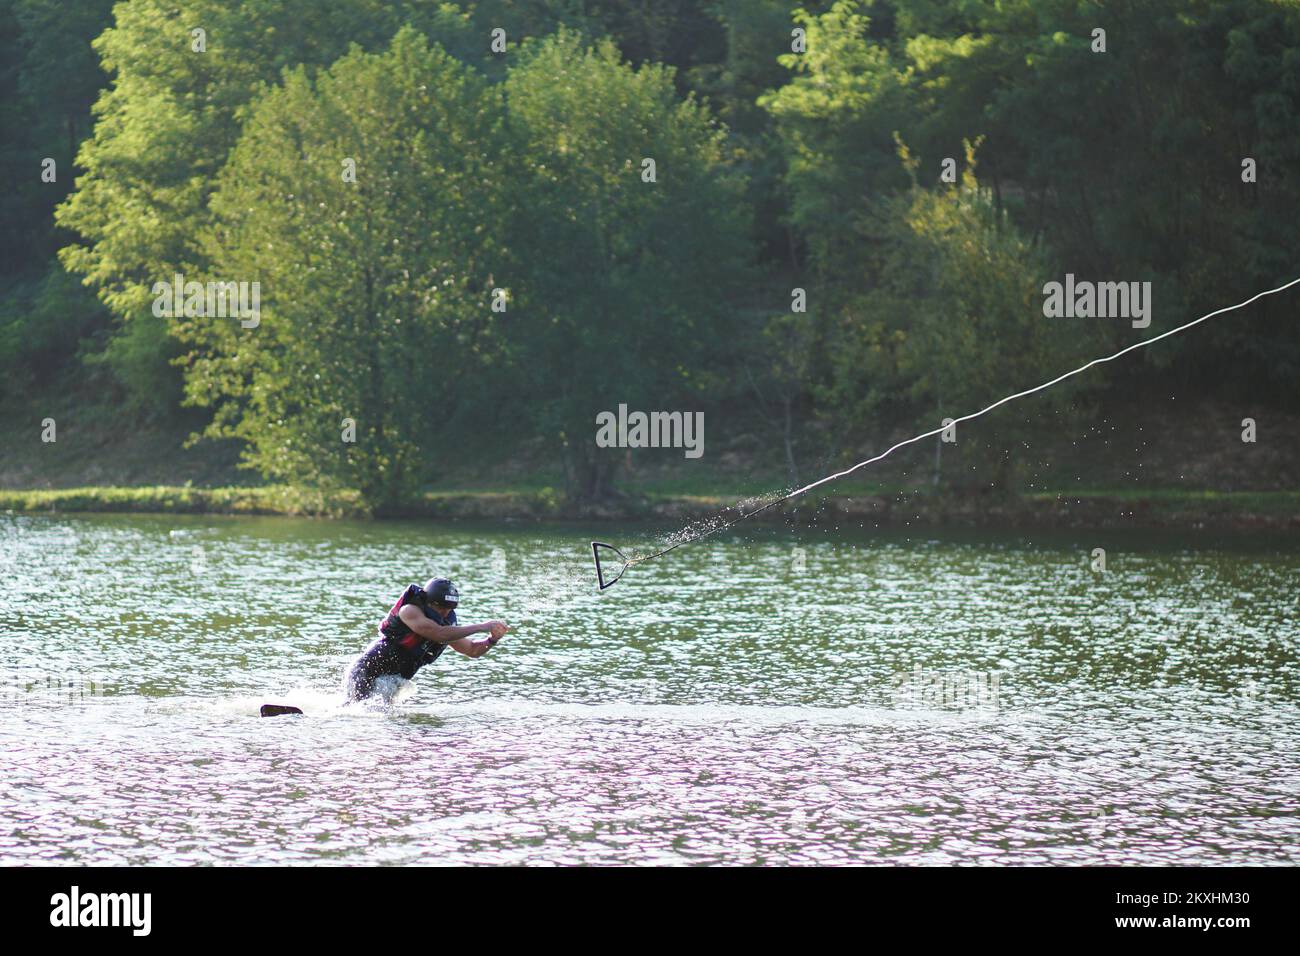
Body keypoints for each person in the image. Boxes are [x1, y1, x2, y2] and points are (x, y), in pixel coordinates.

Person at [344, 577, 508, 702]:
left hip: (392, 679)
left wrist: (491, 640)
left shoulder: (446, 626)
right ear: (427, 601)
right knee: (358, 714)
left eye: (448, 608)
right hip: (366, 672)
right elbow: (439, 634)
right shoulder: (409, 611)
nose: (444, 612)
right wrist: (481, 626)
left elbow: (472, 650)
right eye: (440, 606)